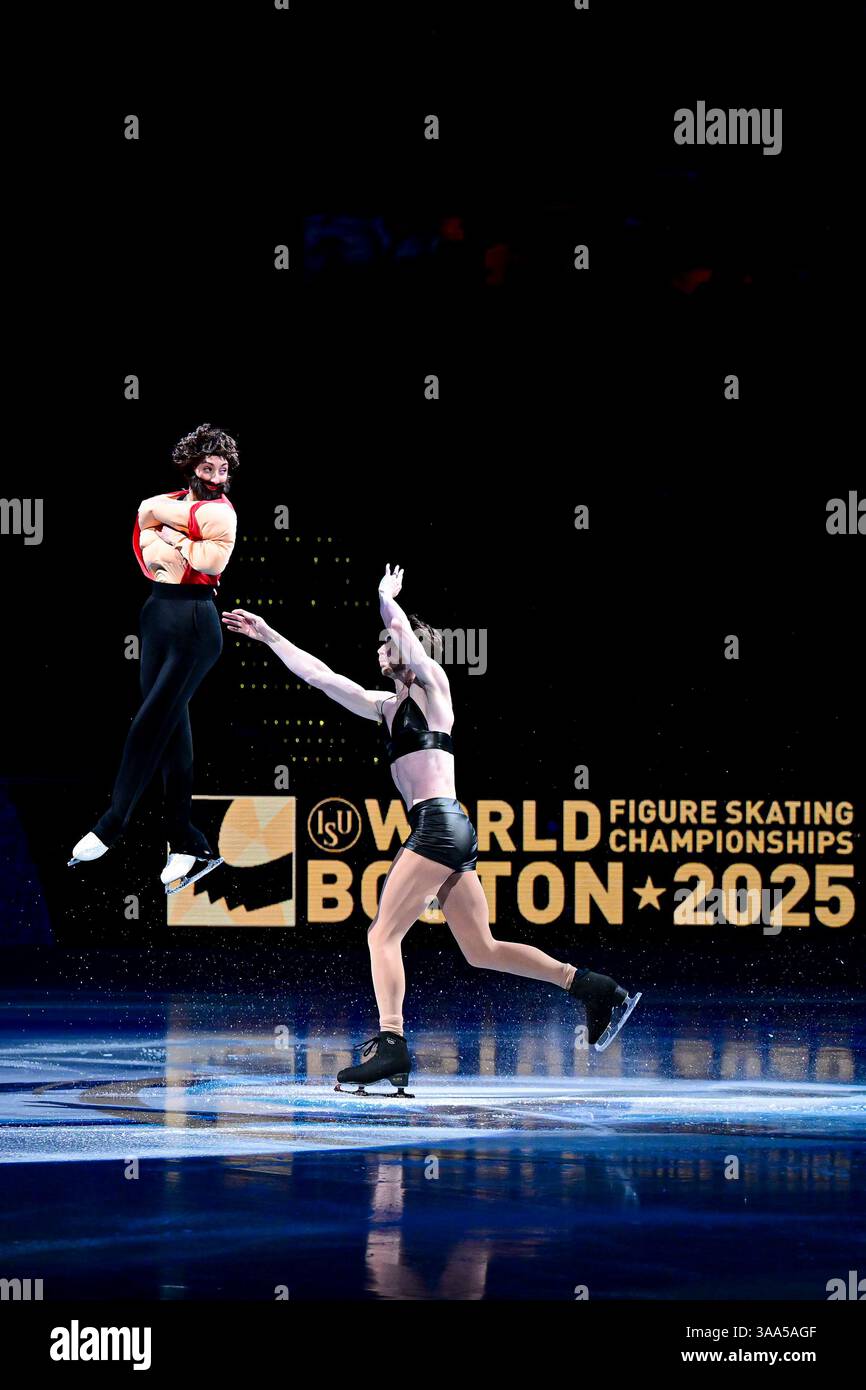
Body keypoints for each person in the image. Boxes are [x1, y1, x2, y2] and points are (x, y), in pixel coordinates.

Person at [221, 564, 640, 1093]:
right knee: (481, 949)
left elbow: (408, 642)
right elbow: (319, 675)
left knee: (382, 934)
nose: (383, 646)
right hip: (449, 828)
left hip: (439, 825)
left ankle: (390, 1043)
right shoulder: (386, 707)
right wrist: (268, 635)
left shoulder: (432, 690)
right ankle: (594, 988)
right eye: (383, 641)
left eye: (392, 641)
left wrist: (385, 600)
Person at [69, 424, 239, 893]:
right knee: (170, 732)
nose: (217, 476)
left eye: (223, 469)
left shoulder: (222, 513)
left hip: (195, 624)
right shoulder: (165, 500)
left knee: (148, 724)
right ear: (191, 467)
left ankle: (112, 824)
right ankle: (187, 841)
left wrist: (174, 536)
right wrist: (182, 536)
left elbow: (209, 564)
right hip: (157, 615)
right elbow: (145, 526)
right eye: (208, 468)